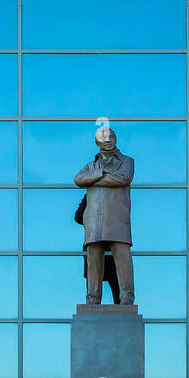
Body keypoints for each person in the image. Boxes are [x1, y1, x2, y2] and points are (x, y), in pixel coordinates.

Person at [72, 126, 135, 306]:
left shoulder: (126, 161)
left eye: (111, 136)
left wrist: (95, 178)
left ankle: (127, 297)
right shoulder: (90, 166)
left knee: (122, 259)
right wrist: (101, 173)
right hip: (94, 225)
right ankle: (92, 299)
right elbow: (78, 179)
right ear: (97, 141)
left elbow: (123, 178)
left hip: (117, 222)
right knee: (94, 263)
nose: (107, 139)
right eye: (103, 136)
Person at [75, 194, 120, 304]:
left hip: (110, 244)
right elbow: (78, 217)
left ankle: (121, 310)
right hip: (96, 242)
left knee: (115, 284)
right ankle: (93, 308)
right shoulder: (91, 194)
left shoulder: (114, 194)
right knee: (94, 285)